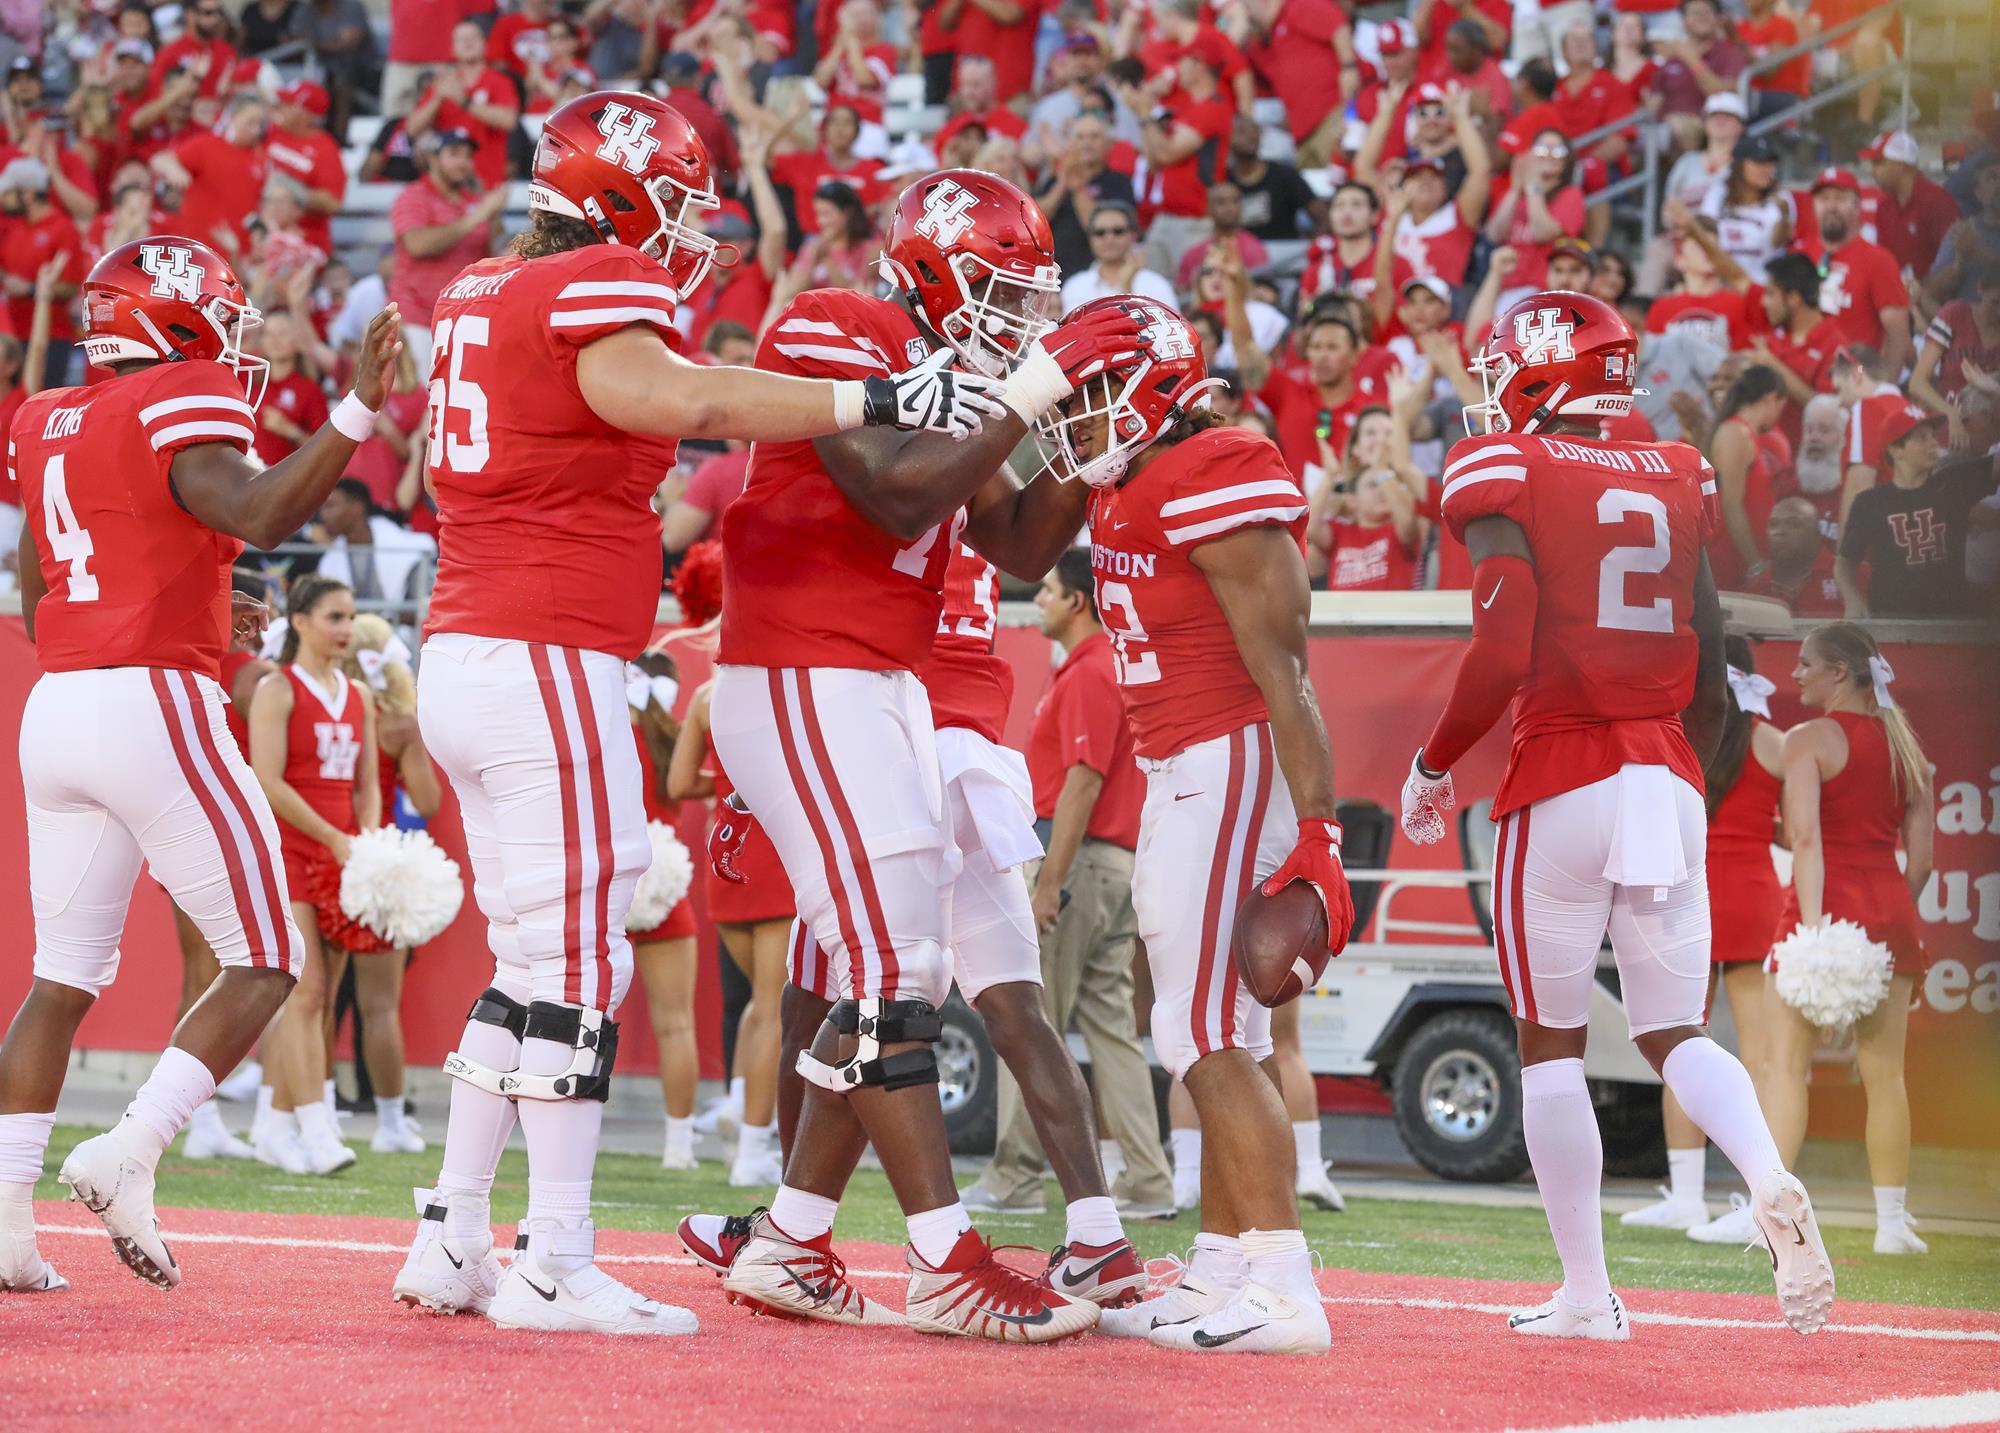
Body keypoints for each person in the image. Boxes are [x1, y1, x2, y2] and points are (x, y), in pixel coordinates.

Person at [387, 97, 1004, 1337]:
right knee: (580, 962)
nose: (686, 233)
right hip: (542, 644)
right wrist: (869, 398)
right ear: (616, 196)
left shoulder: (480, 285)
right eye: (672, 203)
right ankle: (555, 1257)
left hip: (467, 637)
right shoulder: (591, 281)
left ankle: (451, 1232)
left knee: (526, 958)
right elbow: (679, 399)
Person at [672, 175, 1141, 1343]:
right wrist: (1030, 390)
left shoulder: (958, 372)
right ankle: (943, 1258)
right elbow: (890, 490)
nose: (1021, 318)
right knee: (890, 966)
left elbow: (1011, 540)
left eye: (1032, 301)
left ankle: (791, 1239)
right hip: (803, 667)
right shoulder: (831, 322)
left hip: (875, 681)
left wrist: (1091, 453)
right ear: (931, 270)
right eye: (1003, 291)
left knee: (906, 970)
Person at [1398, 290, 1834, 1340]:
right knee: (1675, 1031)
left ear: (1538, 373)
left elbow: (1499, 648)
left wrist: (1431, 762)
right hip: (1667, 773)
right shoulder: (1674, 470)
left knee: (1549, 1048)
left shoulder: (1507, 465)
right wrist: (1683, 780)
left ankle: (1588, 1295)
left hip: (1560, 771)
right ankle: (1765, 1172)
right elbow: (1711, 665)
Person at [0, 237, 401, 1294]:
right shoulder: (176, 394)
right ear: (171, 324)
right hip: (149, 705)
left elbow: (44, 589)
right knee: (267, 956)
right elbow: (262, 510)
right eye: (219, 322)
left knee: (59, 979)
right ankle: (129, 1151)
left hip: (58, 705)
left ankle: (4, 1225)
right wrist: (357, 408)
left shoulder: (45, 414)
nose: (229, 346)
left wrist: (204, 608)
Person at [1032, 296, 1353, 1355]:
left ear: (1149, 387)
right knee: (1222, 1031)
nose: (1072, 417)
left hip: (1224, 754)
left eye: (1087, 395)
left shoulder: (1216, 464)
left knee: (1200, 1031)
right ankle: (1222, 1262)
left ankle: (1284, 1285)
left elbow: (1285, 667)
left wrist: (1320, 829)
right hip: (1183, 760)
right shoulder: (1128, 479)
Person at [970, 551, 1172, 1219]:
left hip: (1075, 860)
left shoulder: (1089, 671)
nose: (1039, 601)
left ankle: (1015, 1176)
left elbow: (1083, 781)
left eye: (1049, 590)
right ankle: (1148, 1178)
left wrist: (1048, 883)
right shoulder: (1111, 667)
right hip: (1112, 862)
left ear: (1079, 601)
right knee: (1112, 1030)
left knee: (1029, 1019)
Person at [1757, 623, 1933, 1256]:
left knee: (1785, 1070)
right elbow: (1921, 863)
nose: (1795, 674)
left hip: (1821, 909)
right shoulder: (1907, 750)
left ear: (1838, 672)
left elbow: (1805, 840)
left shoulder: (1808, 739)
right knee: (1886, 1077)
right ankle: (1893, 1224)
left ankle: (1773, 1220)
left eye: (1806, 663)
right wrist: (1887, 913)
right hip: (1889, 912)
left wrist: (1813, 933)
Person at [1625, 643, 1784, 1230]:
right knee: (1764, 1055)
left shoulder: (1683, 734)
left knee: (1682, 1043)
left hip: (1691, 892)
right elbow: (1797, 830)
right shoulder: (1775, 743)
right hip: (1754, 899)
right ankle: (1765, 1192)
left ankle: (1687, 1195)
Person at [248, 575, 381, 1176]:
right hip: (291, 851)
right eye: (334, 617)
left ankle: (273, 1128)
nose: (346, 628)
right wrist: (331, 836)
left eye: (351, 617)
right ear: (300, 621)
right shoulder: (278, 688)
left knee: (322, 999)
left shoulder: (360, 695)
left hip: (343, 857)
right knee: (304, 991)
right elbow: (268, 779)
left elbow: (368, 783)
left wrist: (366, 843)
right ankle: (318, 1128)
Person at [668, 672, 796, 1188]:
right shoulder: (789, 684)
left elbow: (679, 784)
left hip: (728, 853)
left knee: (758, 1004)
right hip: (777, 850)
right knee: (772, 1009)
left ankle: (742, 1104)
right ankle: (752, 1151)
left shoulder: (705, 695)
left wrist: (725, 787)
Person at [174, 568, 278, 1162]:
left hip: (196, 825)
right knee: (241, 971)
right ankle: (207, 1117)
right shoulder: (252, 675)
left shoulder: (199, 666)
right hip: (227, 828)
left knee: (206, 973)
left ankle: (202, 1116)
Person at [341, 613, 440, 1154]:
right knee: (379, 1005)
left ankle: (306, 1117)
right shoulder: (400, 725)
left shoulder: (325, 709)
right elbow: (428, 801)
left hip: (327, 855)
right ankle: (390, 1123)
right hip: (377, 869)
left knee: (309, 1003)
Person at [631, 552, 715, 1171]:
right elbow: (701, 785)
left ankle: (553, 1132)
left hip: (607, 876)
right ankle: (678, 1147)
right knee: (676, 1023)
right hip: (662, 882)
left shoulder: (605, 729)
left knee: (569, 1012)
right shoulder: (671, 732)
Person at [1837, 405, 1977, 618]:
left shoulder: (1954, 485)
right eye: (1922, 438)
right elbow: (1845, 563)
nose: (1933, 443)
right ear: (1896, 450)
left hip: (1951, 622)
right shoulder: (1870, 502)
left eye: (1933, 436)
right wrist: (1853, 598)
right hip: (1891, 621)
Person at [388, 130, 507, 371]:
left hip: (463, 321)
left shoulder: (474, 201)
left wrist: (493, 217)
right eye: (454, 154)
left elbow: (491, 257)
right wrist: (479, 215)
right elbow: (417, 245)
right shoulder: (414, 195)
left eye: (467, 156)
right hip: (418, 319)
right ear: (432, 159)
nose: (463, 162)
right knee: (419, 393)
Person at [1804, 168, 1912, 377]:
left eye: (1840, 198)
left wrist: (1882, 385)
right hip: (1807, 372)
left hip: (1855, 374)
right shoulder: (1801, 254)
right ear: (1814, 205)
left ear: (1857, 206)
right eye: (1824, 199)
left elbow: (1898, 334)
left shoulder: (1878, 260)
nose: (1831, 206)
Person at [1706, 366, 1788, 589]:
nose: (1778, 417)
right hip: (1731, 559)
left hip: (1744, 558)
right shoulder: (1736, 433)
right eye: (1781, 407)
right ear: (1771, 398)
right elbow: (1731, 504)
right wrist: (1755, 563)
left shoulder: (1747, 434)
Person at [1058, 198, 1177, 314]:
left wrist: (1127, 285)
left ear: (1133, 235)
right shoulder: (1075, 286)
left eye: (1118, 231)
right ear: (1090, 238)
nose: (1109, 238)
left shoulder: (1157, 284)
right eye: (1100, 233)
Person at [1747, 494, 1845, 615]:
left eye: (1794, 524)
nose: (1780, 531)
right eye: (1773, 524)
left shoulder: (1851, 577)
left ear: (1817, 533)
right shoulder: (1754, 590)